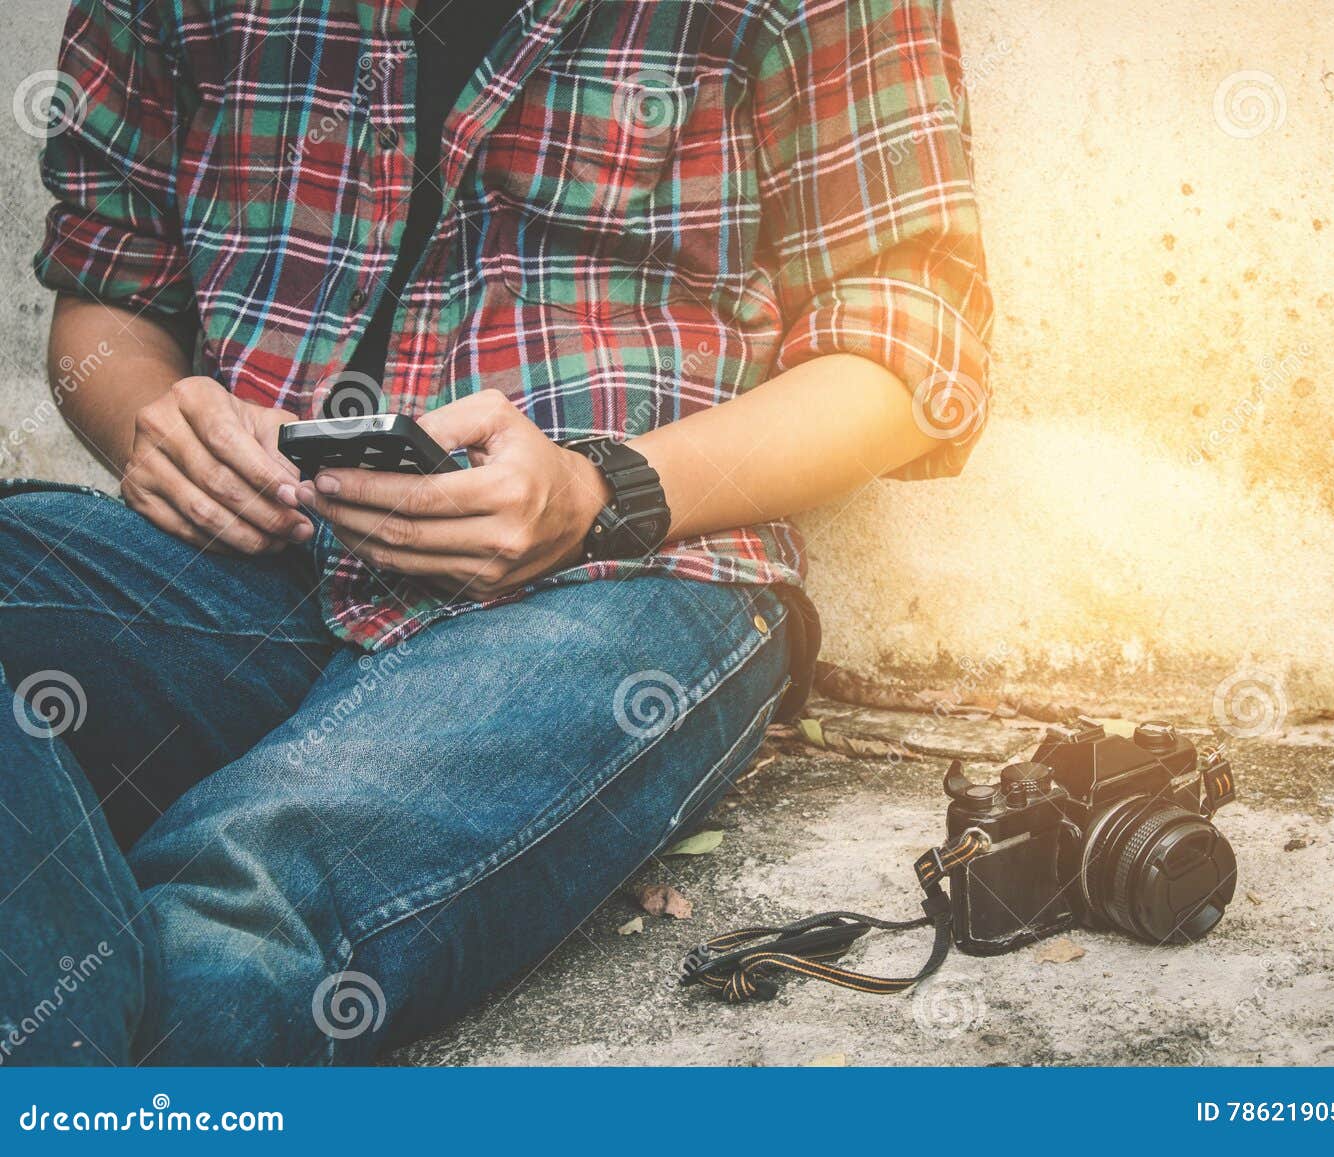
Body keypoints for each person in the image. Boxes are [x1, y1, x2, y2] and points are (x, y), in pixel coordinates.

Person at [0, 0, 990, 1064]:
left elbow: (911, 354)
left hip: (613, 583)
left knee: (239, 907)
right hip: (248, 555)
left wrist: (595, 491)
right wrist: (155, 421)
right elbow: (109, 293)